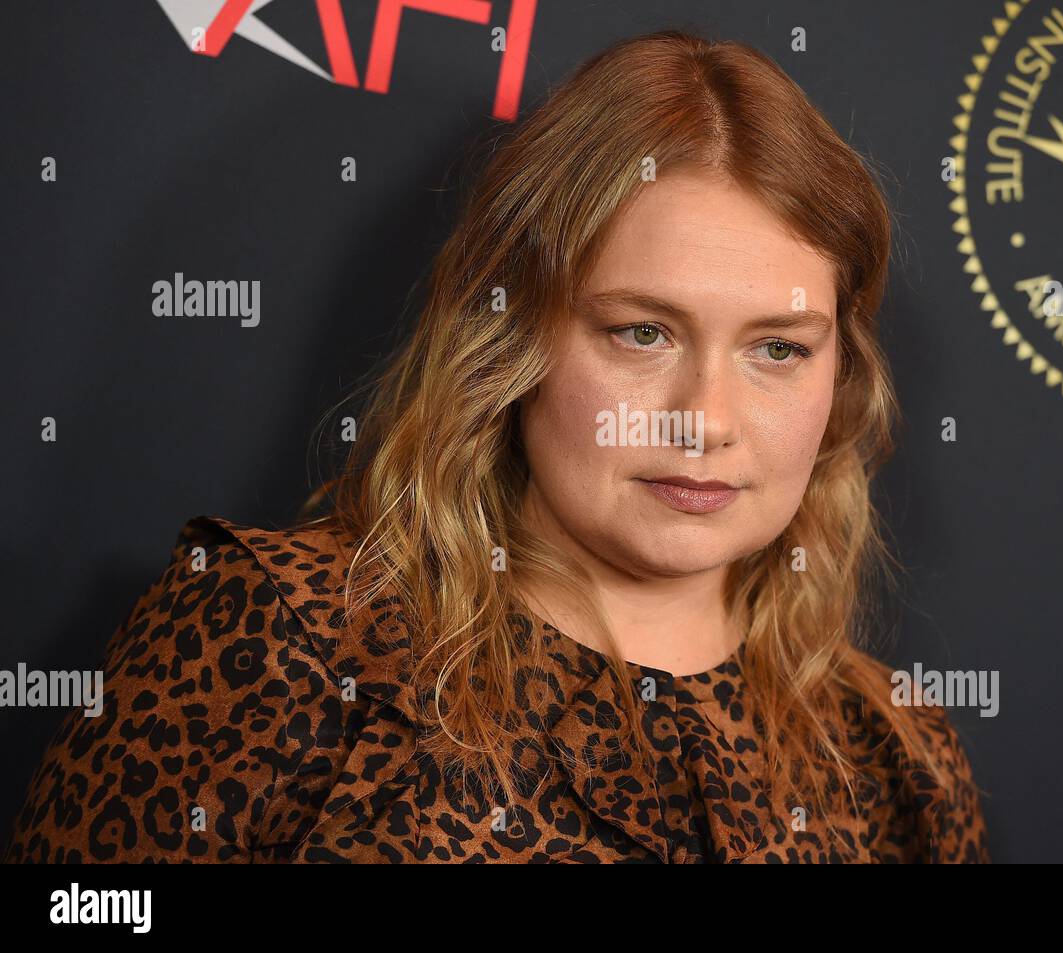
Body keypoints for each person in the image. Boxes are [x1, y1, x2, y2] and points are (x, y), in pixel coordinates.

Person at [6, 30, 990, 863]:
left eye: (777, 347)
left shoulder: (895, 749)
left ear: (839, 376)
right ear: (511, 337)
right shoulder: (283, 642)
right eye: (641, 331)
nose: (706, 417)